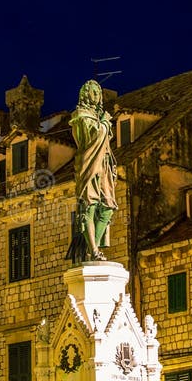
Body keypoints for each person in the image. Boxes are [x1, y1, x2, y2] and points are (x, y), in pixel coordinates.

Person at [66, 79, 118, 262]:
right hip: (88, 164)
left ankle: (92, 250)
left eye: (98, 91)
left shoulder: (97, 116)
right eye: (93, 91)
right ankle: (94, 251)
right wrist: (104, 124)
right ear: (85, 94)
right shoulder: (81, 116)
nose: (97, 95)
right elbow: (93, 139)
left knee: (107, 208)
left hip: (102, 164)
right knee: (90, 206)